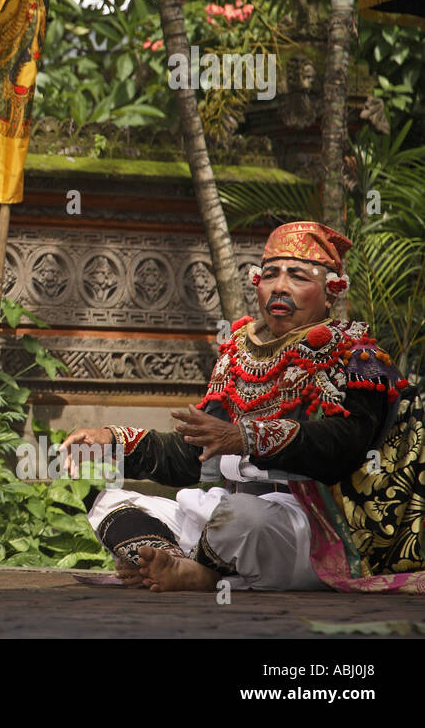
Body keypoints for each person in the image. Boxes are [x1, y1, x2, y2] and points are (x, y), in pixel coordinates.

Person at [63, 220, 422, 592]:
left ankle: (197, 571)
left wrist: (247, 438)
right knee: (113, 503)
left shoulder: (359, 356)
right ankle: (166, 562)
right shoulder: (236, 355)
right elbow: (194, 458)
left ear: (331, 291)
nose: (279, 287)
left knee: (244, 519)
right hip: (225, 518)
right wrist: (111, 439)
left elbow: (344, 446)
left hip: (310, 530)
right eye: (270, 275)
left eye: (297, 276)